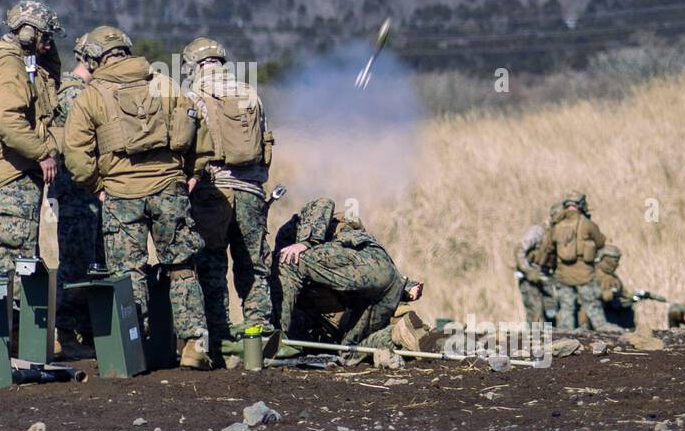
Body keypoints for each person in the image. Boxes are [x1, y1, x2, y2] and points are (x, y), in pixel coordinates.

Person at [62, 25, 212, 369]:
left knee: (128, 273)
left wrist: (97, 186)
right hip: (169, 190)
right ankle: (193, 345)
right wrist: (189, 174)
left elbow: (76, 154)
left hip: (119, 193)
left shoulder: (91, 95)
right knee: (182, 267)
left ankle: (134, 349)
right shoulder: (164, 83)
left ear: (97, 58)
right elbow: (198, 134)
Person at [182, 36, 276, 353]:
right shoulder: (250, 94)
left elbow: (187, 147)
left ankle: (219, 336)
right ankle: (260, 334)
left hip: (212, 191)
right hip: (251, 190)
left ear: (193, 65)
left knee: (211, 264)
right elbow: (266, 146)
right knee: (253, 266)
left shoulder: (192, 97)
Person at [0, 1, 63, 294]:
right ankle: (11, 334)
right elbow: (7, 121)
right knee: (16, 257)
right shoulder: (9, 65)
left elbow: (52, 83)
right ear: (28, 33)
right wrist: (42, 153)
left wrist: (47, 48)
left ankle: (18, 333)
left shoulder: (20, 60)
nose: (47, 43)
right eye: (44, 36)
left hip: (20, 168)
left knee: (23, 253)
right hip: (15, 171)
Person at [273, 198, 423, 352]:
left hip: (366, 276)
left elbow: (324, 202)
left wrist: (305, 243)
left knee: (288, 260)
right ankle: (398, 335)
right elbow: (381, 273)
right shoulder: (351, 247)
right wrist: (407, 287)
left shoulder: (308, 234)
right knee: (349, 351)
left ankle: (278, 343)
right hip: (388, 281)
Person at [49, 39, 101, 360]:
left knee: (91, 262)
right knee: (75, 263)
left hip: (87, 192)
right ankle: (66, 333)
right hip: (75, 193)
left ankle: (86, 331)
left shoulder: (85, 91)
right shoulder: (72, 93)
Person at [547, 191, 606, 330]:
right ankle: (602, 330)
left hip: (562, 275)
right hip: (584, 274)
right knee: (592, 306)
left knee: (566, 307)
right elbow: (600, 242)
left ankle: (565, 333)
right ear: (581, 205)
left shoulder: (556, 226)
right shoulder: (587, 224)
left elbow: (548, 248)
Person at [581, 244, 636, 331]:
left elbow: (623, 294)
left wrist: (630, 298)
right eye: (613, 260)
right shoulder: (591, 275)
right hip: (596, 313)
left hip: (613, 312)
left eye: (617, 260)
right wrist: (603, 295)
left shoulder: (614, 278)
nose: (616, 264)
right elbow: (586, 294)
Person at [515, 218, 554, 325]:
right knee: (535, 312)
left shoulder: (557, 233)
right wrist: (527, 271)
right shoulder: (538, 231)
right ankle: (533, 339)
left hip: (546, 278)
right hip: (529, 278)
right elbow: (519, 249)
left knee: (551, 312)